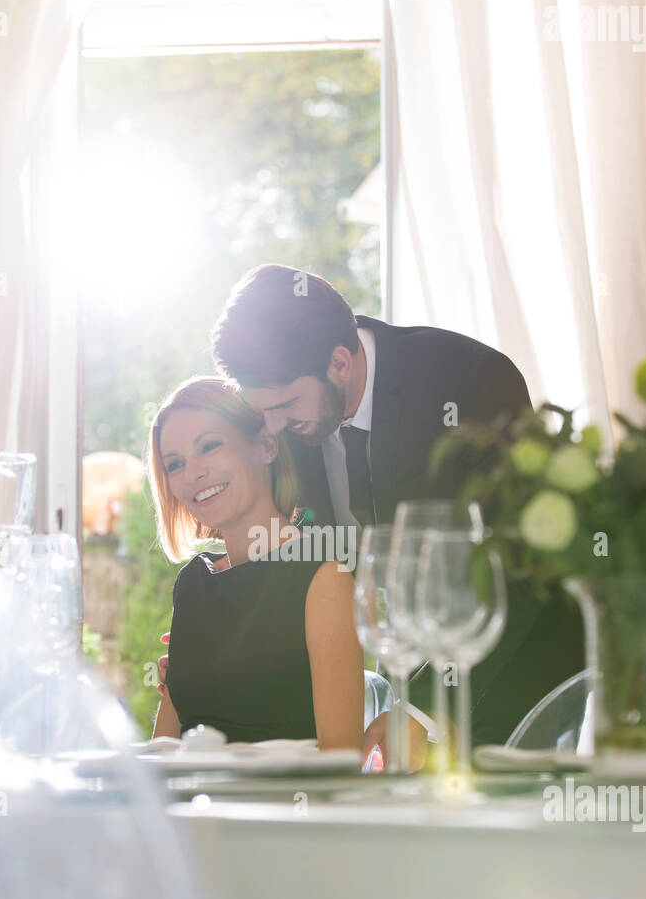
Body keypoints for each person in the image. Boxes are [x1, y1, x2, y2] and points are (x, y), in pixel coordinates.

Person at [208, 263, 585, 762]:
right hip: (405, 682)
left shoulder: (470, 379)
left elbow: (522, 563)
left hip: (520, 685)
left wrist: (423, 709)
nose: (274, 427)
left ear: (339, 362)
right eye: (264, 411)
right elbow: (304, 562)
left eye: (287, 404)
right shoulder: (290, 422)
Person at [149, 376, 363, 751]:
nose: (193, 473)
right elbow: (164, 750)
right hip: (194, 790)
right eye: (175, 464)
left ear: (266, 446)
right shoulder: (193, 582)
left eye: (209, 446)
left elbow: (340, 759)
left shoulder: (324, 576)